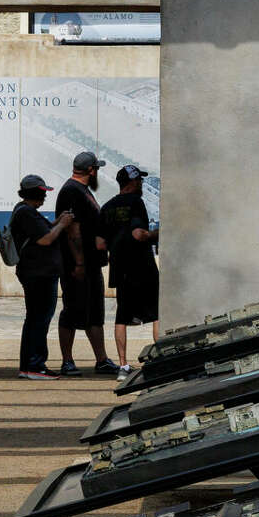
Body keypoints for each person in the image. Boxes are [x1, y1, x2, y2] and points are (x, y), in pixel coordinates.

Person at [53, 150, 121, 376]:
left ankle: (101, 360)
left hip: (90, 265)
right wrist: (79, 263)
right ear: (91, 171)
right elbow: (73, 230)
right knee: (72, 312)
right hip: (77, 267)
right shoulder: (71, 191)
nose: (97, 173)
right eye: (97, 169)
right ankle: (67, 361)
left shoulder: (82, 191)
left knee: (94, 313)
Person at [8, 173, 75, 379]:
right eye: (42, 193)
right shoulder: (26, 213)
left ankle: (29, 365)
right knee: (39, 320)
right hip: (39, 274)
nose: (45, 197)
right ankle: (35, 365)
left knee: (35, 319)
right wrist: (63, 224)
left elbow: (42, 231)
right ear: (35, 193)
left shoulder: (25, 211)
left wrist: (57, 221)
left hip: (37, 273)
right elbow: (45, 239)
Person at [99, 164, 160, 371]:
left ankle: (123, 364)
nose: (142, 183)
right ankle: (161, 359)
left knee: (122, 316)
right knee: (157, 313)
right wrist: (157, 234)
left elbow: (99, 243)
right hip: (142, 267)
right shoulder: (136, 202)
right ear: (133, 181)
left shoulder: (107, 207)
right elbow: (138, 234)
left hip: (120, 268)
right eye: (140, 180)